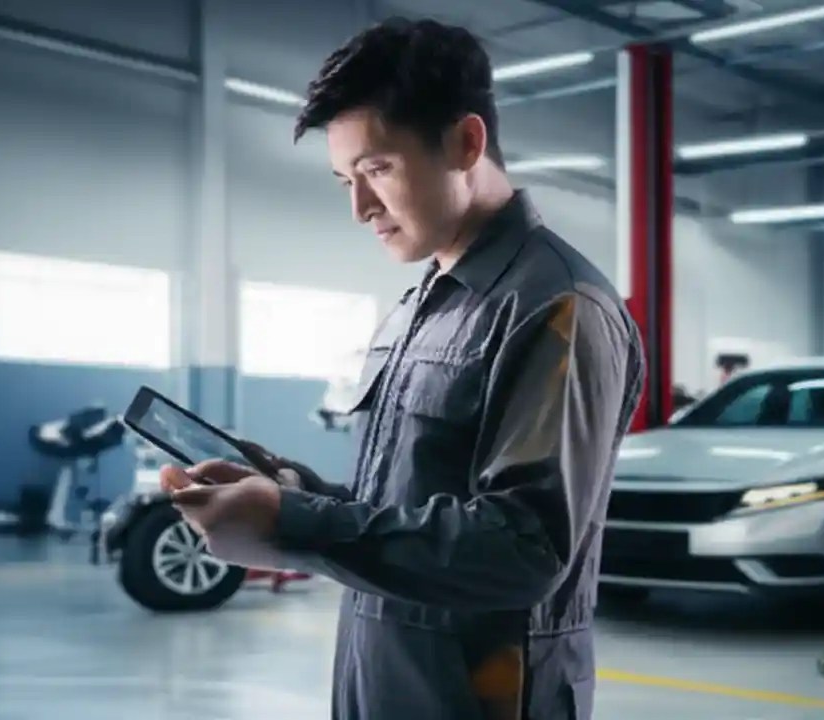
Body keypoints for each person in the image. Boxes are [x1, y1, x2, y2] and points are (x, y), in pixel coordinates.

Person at [159, 16, 644, 720]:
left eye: (378, 170)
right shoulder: (424, 304)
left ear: (466, 143)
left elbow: (523, 550)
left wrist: (293, 523)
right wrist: (288, 489)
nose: (360, 208)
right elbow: (401, 508)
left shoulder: (560, 306)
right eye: (344, 181)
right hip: (382, 678)